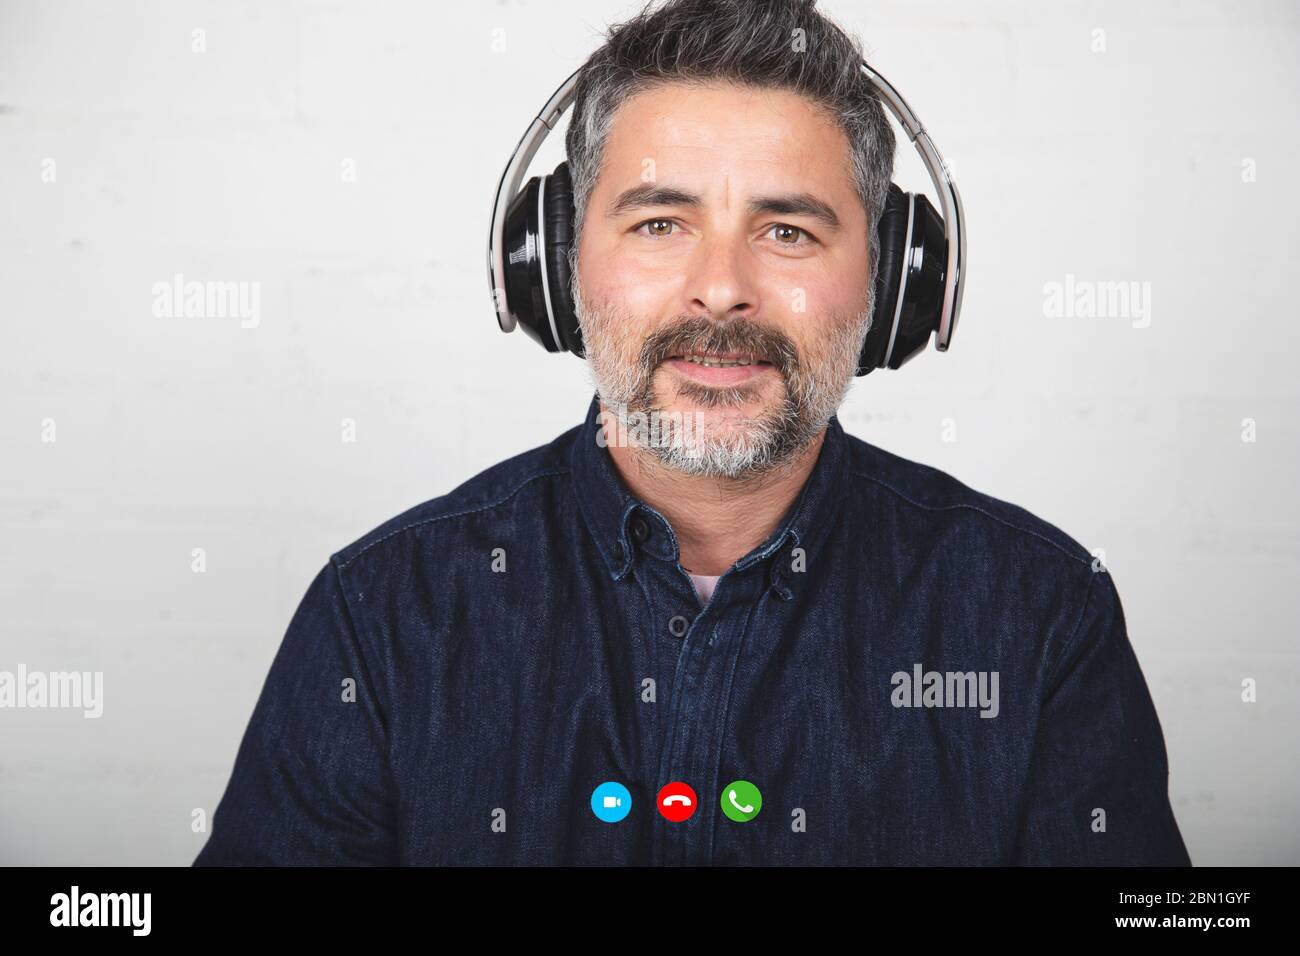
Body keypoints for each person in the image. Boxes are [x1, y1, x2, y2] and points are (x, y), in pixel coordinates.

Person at [195, 0, 1190, 866]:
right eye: (659, 223)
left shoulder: (1039, 615)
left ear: (892, 284)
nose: (721, 287)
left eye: (788, 229)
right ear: (554, 268)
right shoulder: (382, 617)